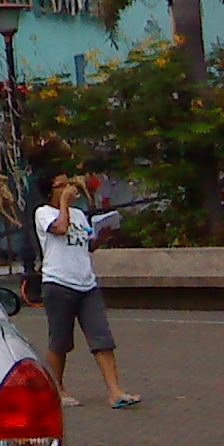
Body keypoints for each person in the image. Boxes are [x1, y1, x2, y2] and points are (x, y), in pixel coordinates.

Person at [34, 166, 140, 409]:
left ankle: (115, 391)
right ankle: (56, 389)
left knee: (102, 337)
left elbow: (86, 244)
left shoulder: (79, 215)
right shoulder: (43, 213)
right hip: (59, 283)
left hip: (86, 283)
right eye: (61, 186)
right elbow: (60, 229)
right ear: (50, 192)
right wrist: (63, 204)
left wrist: (102, 235)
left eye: (68, 184)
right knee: (60, 341)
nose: (69, 189)